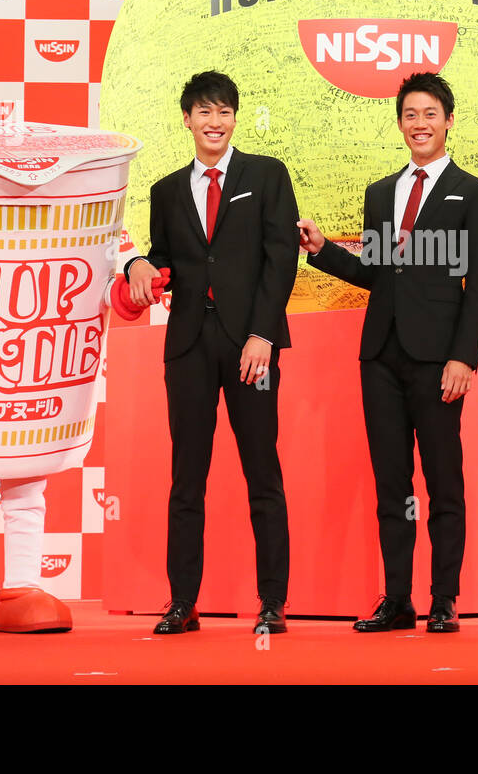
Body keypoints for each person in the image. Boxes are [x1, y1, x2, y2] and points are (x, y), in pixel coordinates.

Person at [297, 72, 478, 633]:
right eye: (410, 114)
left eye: (430, 113)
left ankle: (444, 599)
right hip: (381, 355)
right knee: (391, 485)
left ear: (448, 120)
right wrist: (323, 252)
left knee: (443, 483)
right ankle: (397, 599)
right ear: (400, 123)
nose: (420, 124)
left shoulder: (475, 194)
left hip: (440, 360)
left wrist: (465, 357)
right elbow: (376, 273)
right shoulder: (381, 193)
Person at [119, 70, 300, 636]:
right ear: (187, 119)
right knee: (186, 479)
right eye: (203, 112)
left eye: (223, 111)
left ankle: (272, 603)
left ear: (235, 118)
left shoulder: (266, 175)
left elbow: (281, 261)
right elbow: (163, 259)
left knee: (262, 474)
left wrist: (263, 336)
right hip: (189, 347)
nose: (213, 122)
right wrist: (135, 265)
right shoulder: (167, 191)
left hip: (253, 347)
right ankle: (183, 604)